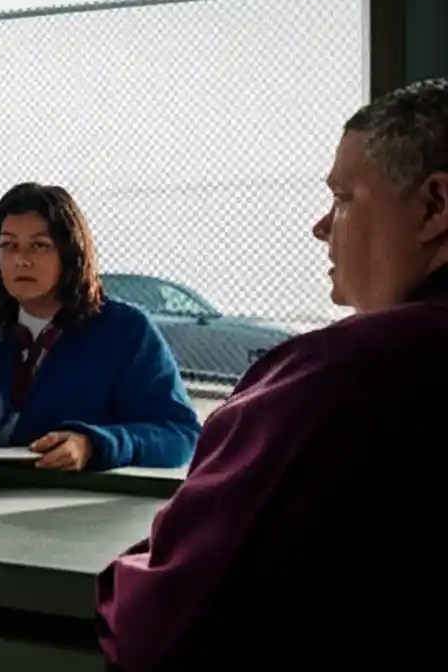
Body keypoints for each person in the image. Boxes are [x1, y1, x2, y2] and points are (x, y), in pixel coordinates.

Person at [95, 78, 448, 670]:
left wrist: (128, 573)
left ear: (435, 205)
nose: (321, 226)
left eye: (343, 197)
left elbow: (164, 619)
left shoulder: (340, 375)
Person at [0, 182, 201, 470]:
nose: (22, 260)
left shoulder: (126, 331)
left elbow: (179, 435)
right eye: (9, 246)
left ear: (70, 253)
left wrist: (93, 445)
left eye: (39, 246)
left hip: (79, 508)